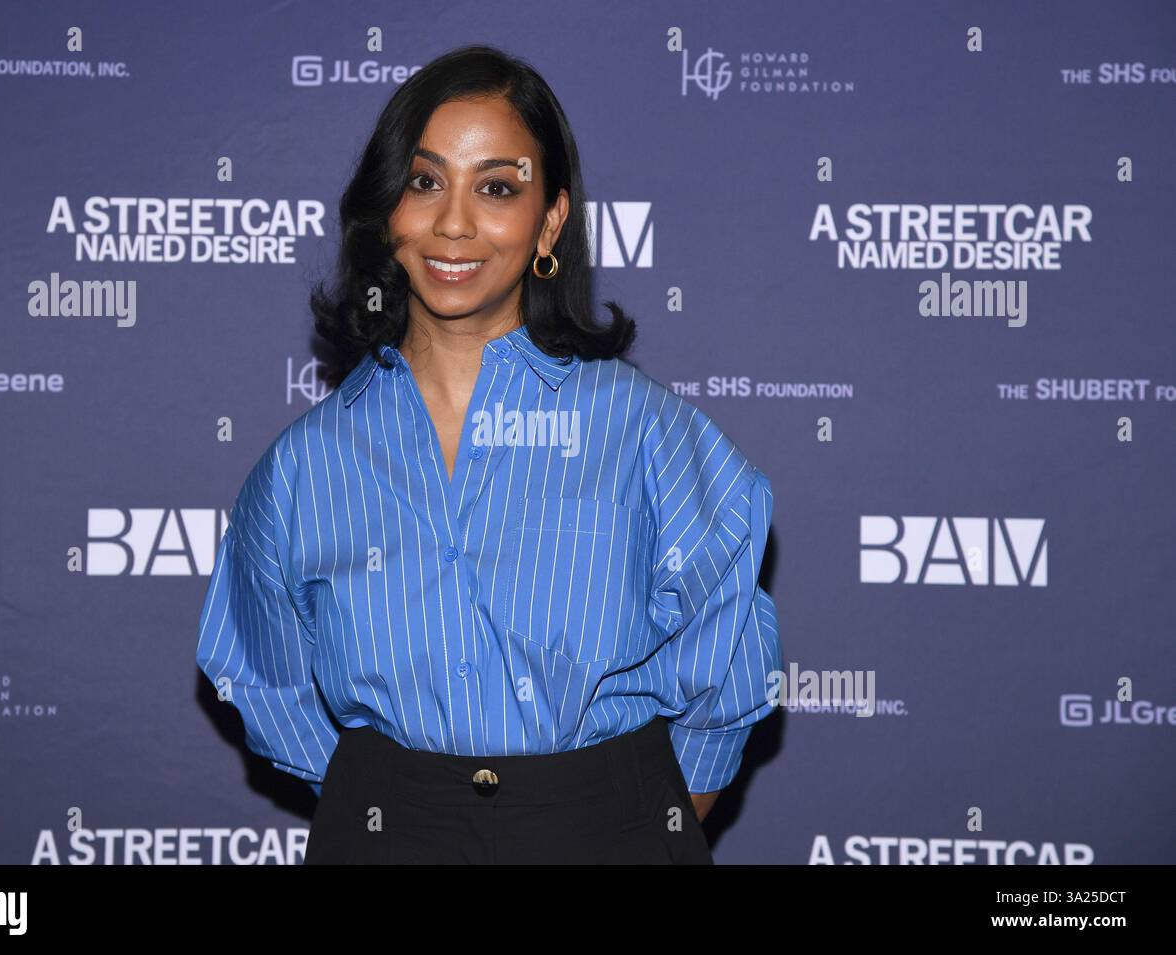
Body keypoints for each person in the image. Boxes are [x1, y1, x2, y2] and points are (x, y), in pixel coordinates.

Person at [195, 44, 780, 864]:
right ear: (386, 210)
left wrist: (622, 822)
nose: (455, 222)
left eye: (497, 187)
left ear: (549, 221)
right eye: (426, 181)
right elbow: (262, 679)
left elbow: (726, 672)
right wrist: (397, 804)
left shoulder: (644, 433)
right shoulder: (304, 467)